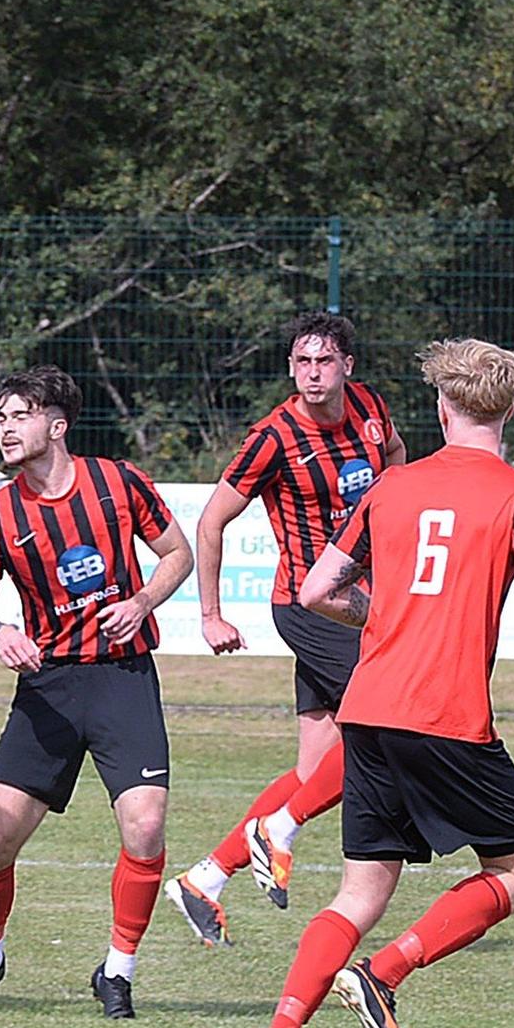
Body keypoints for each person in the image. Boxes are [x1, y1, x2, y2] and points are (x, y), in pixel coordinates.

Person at [244, 338, 514, 1028]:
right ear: (511, 409)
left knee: (360, 890)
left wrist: (383, 615)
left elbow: (319, 587)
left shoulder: (391, 487)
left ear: (440, 406)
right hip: (447, 715)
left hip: (367, 712)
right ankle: (385, 973)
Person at [0, 367, 193, 1019]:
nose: (5, 428)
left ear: (56, 423)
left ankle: (117, 971)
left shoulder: (118, 482)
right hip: (47, 685)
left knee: (146, 824)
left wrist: (140, 601)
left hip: (122, 677)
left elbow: (177, 554)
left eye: (18, 415)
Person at [166, 312, 405, 946]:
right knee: (385, 732)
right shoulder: (273, 436)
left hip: (364, 603)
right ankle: (280, 829)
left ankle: (207, 878)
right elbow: (211, 521)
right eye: (302, 362)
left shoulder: (372, 413)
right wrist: (211, 613)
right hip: (311, 608)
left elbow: (398, 466)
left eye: (324, 361)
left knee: (314, 770)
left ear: (347, 366)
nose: (312, 374)